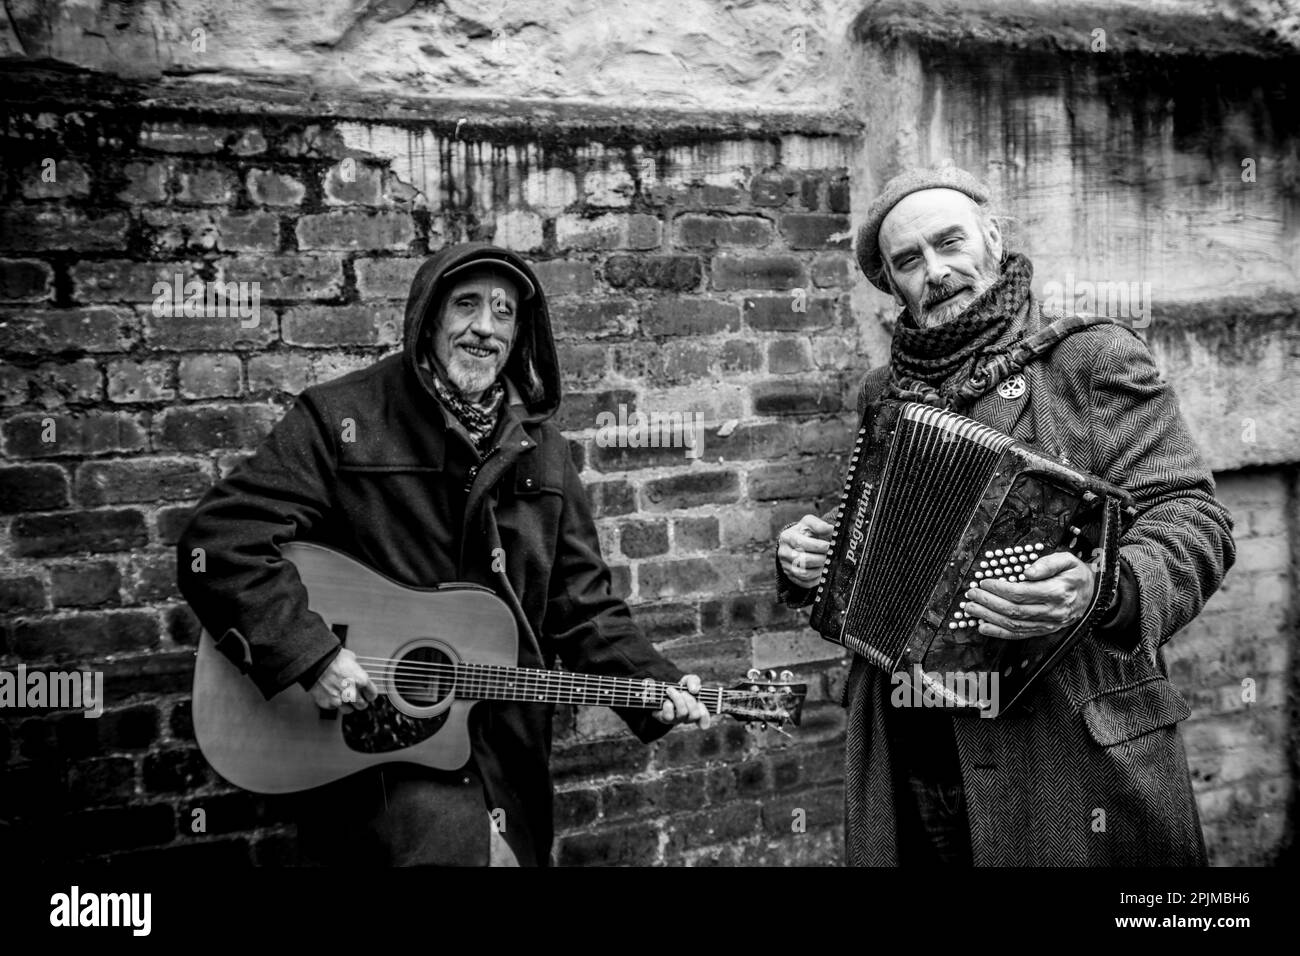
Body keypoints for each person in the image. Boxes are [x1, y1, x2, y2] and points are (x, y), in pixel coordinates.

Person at [178, 241, 709, 866]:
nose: (486, 327)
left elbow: (583, 606)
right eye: (466, 305)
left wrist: (653, 686)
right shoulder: (343, 417)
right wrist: (309, 654)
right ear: (428, 317)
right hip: (379, 752)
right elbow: (220, 542)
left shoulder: (545, 452)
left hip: (503, 753)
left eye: (505, 312)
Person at [774, 164, 1235, 866]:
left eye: (949, 242)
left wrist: (1101, 587)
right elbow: (881, 542)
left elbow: (1192, 519)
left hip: (1064, 749)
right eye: (909, 261)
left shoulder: (1087, 357)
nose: (936, 270)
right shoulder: (884, 392)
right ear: (890, 284)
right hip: (913, 754)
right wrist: (814, 563)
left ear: (991, 237)